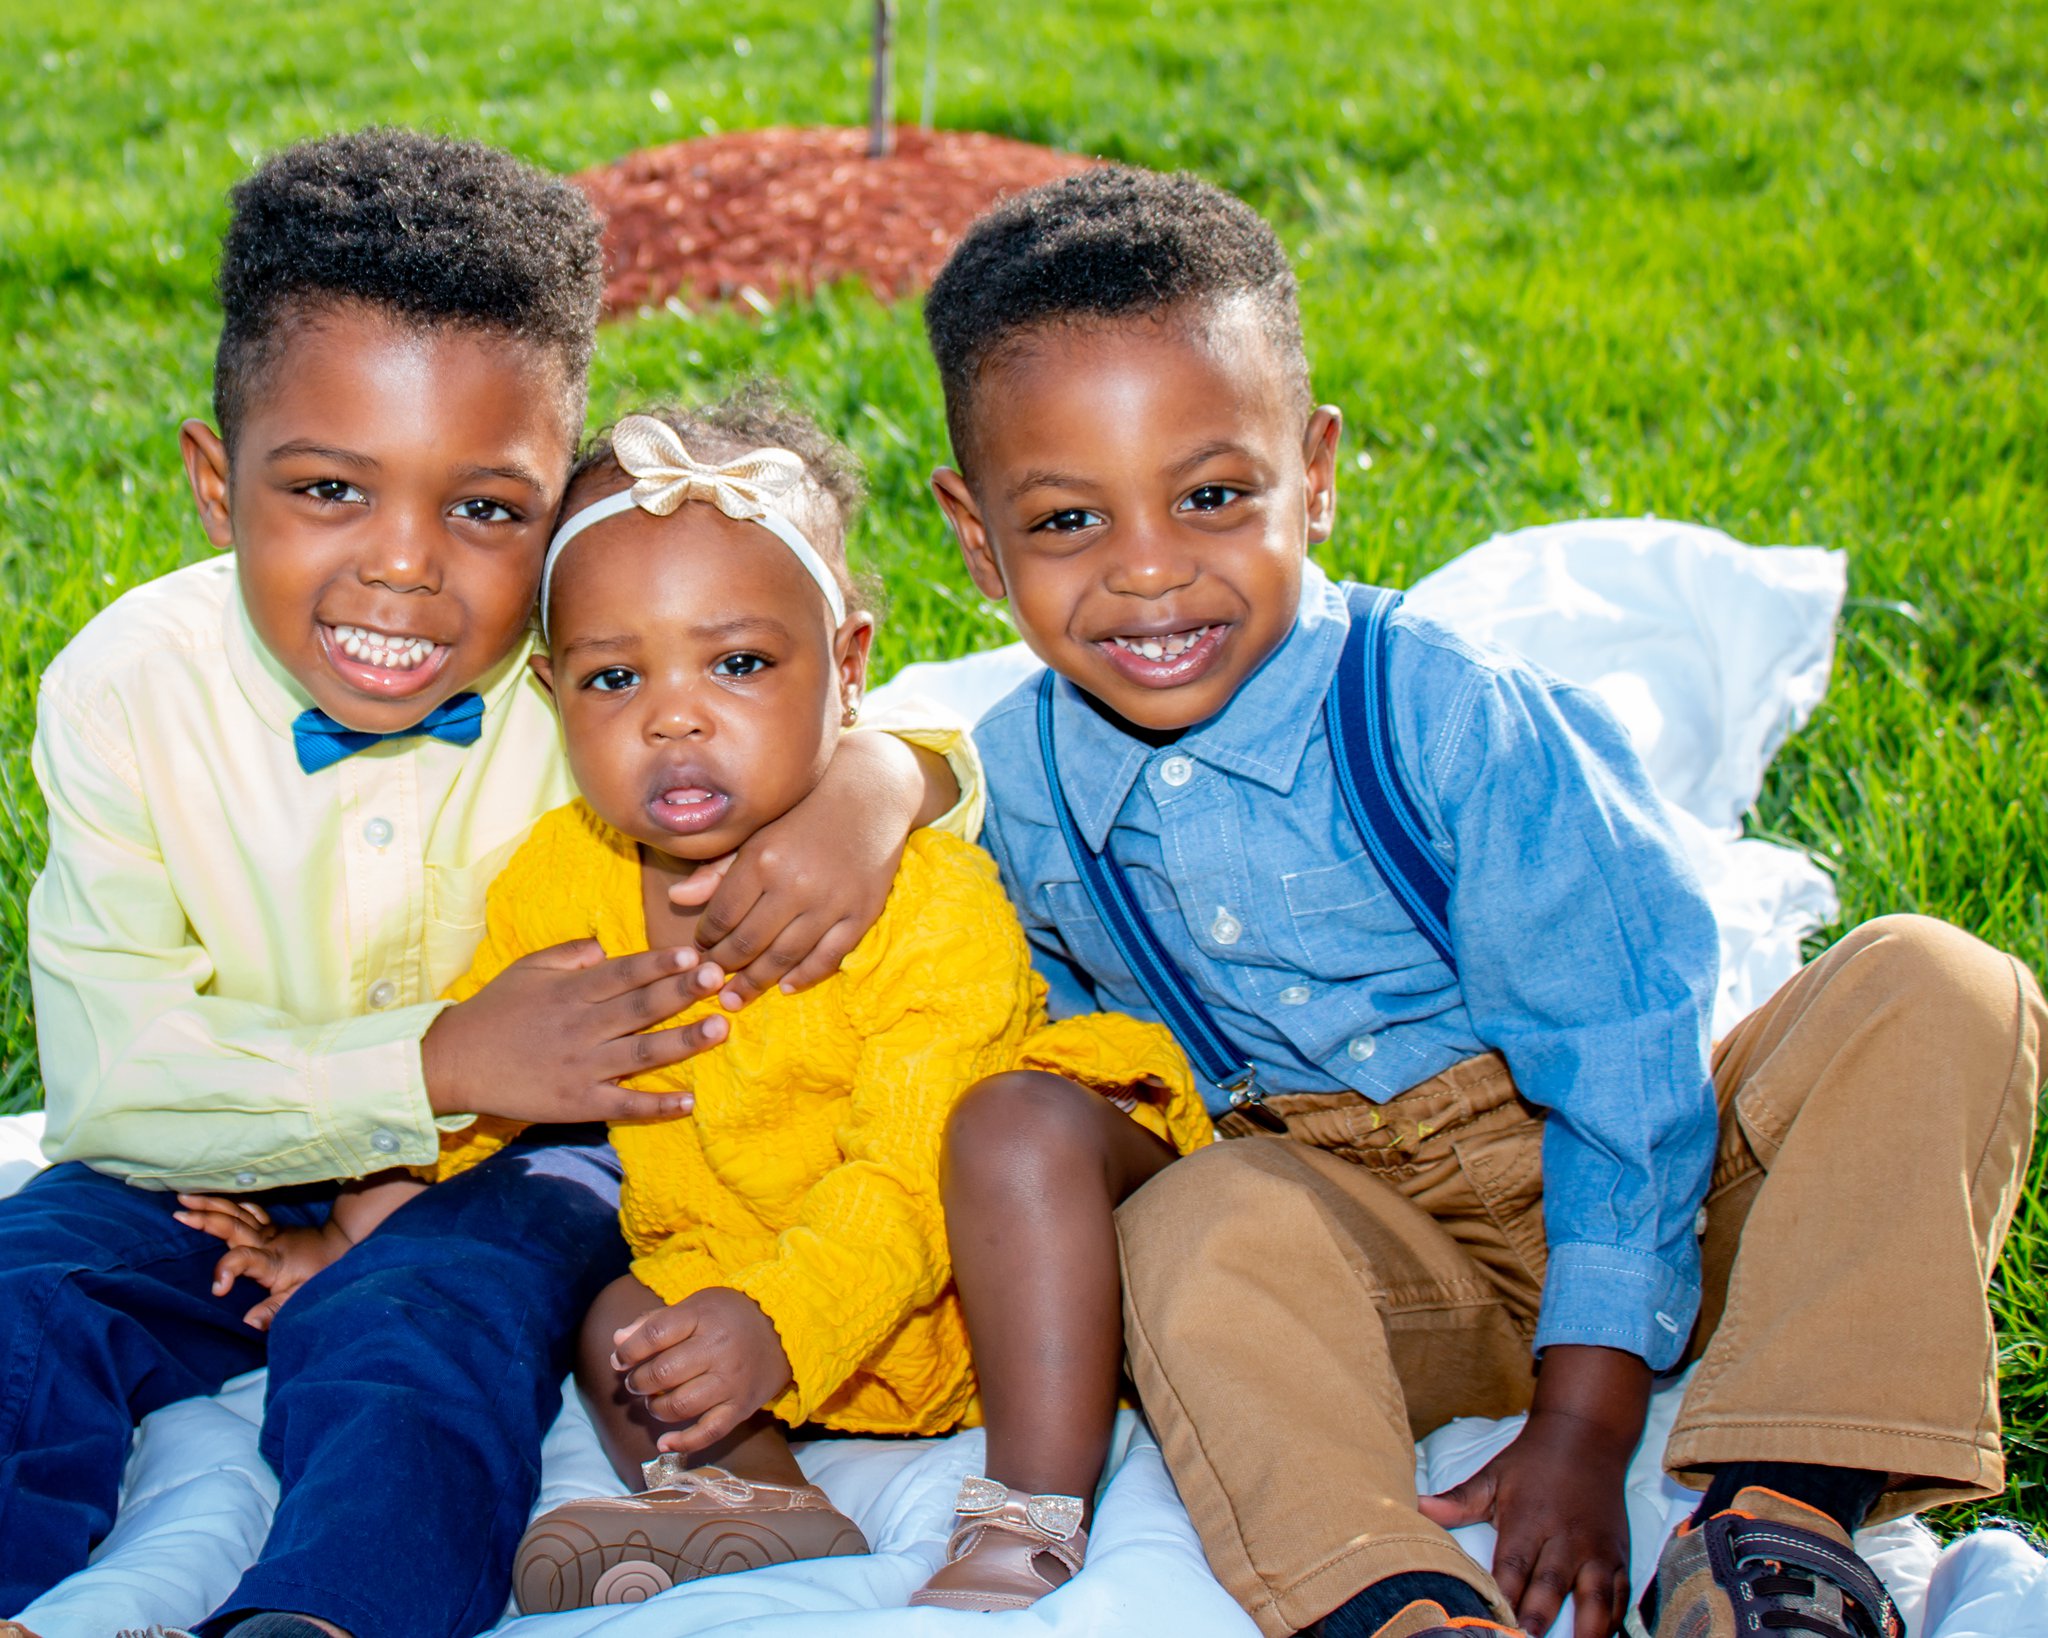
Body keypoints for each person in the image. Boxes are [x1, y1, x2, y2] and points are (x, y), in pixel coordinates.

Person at [919, 164, 2046, 1638]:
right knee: (1191, 1221)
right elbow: (1062, 1053)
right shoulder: (1022, 792)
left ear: (1313, 474)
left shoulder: (1450, 717)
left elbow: (1625, 1058)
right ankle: (1388, 1588)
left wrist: (1586, 1425)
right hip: (1390, 1271)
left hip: (1665, 1196)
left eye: (1212, 496)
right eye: (1068, 521)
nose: (1148, 572)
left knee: (1940, 979)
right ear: (975, 533)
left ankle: (1774, 1517)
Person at [6, 130, 982, 1638]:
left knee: (423, 1315)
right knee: (32, 1288)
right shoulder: (126, 690)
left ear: (557, 507)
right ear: (217, 483)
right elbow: (110, 1075)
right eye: (330, 488)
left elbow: (831, 704)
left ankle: (330, 1610)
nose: (402, 570)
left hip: (535, 1154)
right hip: (203, 1136)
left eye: (484, 509)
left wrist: (887, 779)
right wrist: (437, 1059)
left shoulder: (598, 686)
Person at [189, 388, 1211, 1616]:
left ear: (846, 668)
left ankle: (1029, 1511)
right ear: (553, 690)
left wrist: (778, 1317)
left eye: (736, 663)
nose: (674, 715)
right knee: (606, 1307)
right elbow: (480, 1102)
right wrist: (344, 1241)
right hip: (729, 1301)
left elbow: (908, 1180)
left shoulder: (920, 896)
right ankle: (752, 1500)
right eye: (615, 677)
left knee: (1002, 1137)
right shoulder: (565, 878)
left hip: (967, 1295)